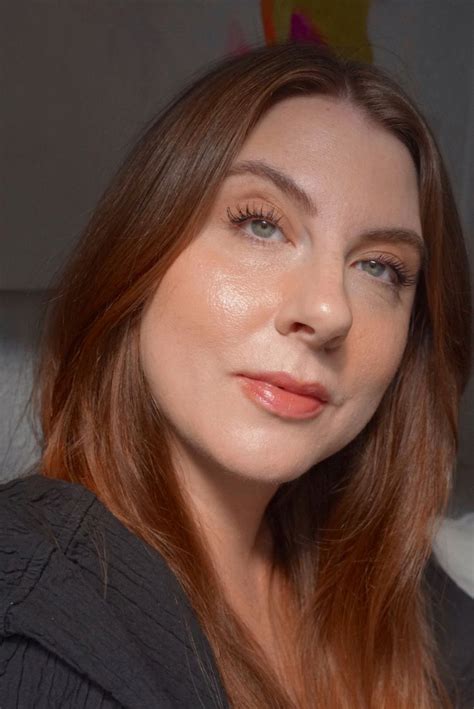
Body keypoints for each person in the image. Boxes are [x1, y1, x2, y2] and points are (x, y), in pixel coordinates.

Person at [0, 40, 472, 709]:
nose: (329, 311)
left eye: (379, 267)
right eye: (261, 224)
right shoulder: (40, 629)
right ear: (139, 253)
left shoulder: (391, 585)